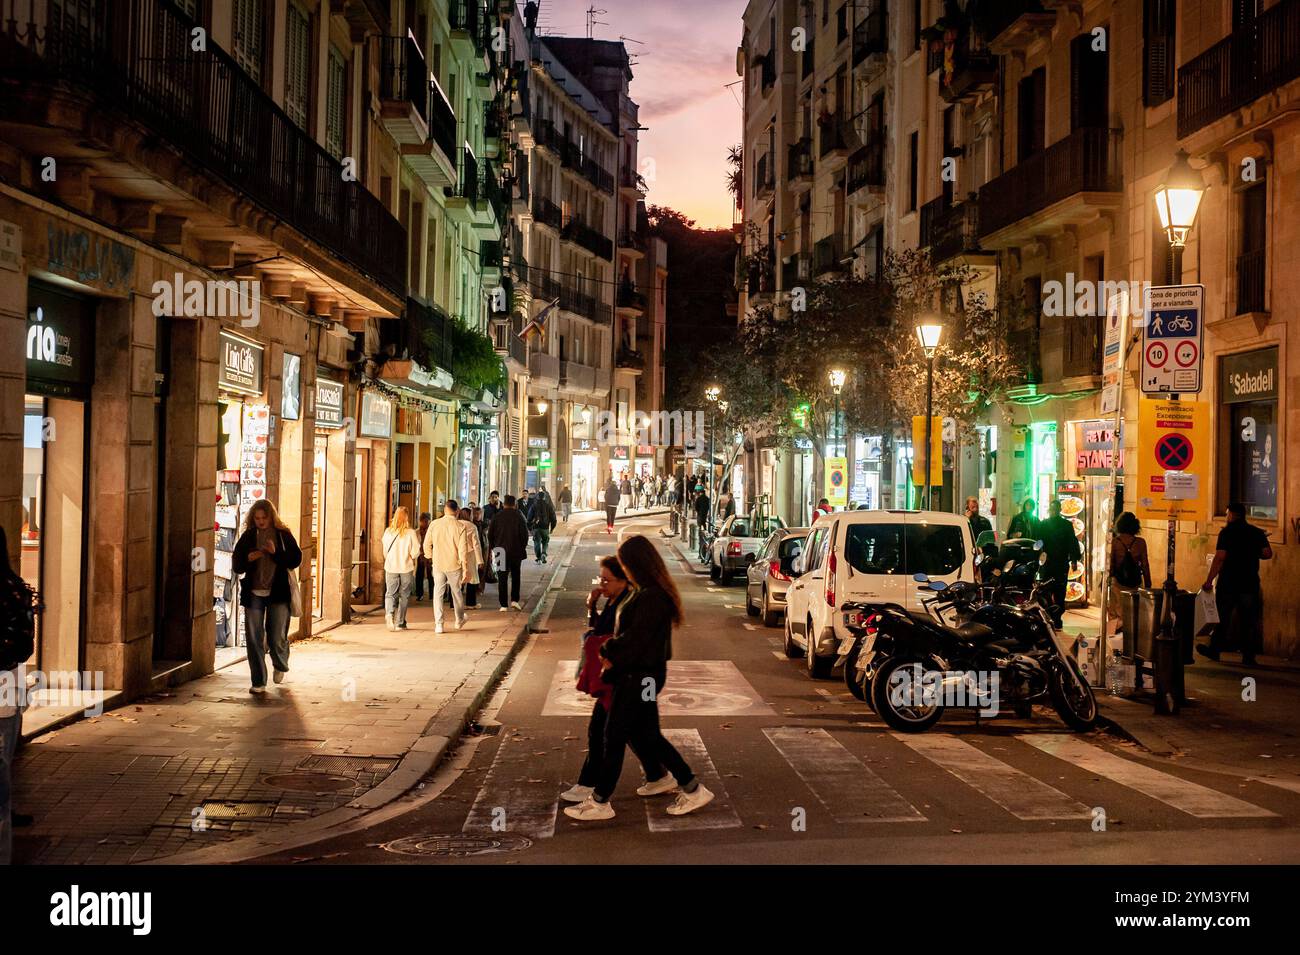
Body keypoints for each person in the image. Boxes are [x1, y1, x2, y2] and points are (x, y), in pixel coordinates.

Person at [564, 535, 714, 821]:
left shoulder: (651, 598)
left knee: (615, 735)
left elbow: (636, 639)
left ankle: (600, 801)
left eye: (625, 564)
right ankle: (689, 787)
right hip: (642, 676)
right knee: (644, 735)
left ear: (636, 565)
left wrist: (609, 648)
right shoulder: (652, 594)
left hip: (640, 677)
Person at [561, 556, 635, 804]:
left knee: (602, 732)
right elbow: (597, 629)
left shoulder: (626, 604)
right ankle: (660, 774)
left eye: (607, 579)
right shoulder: (613, 600)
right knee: (638, 734)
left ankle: (592, 788)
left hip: (617, 678)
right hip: (608, 677)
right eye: (600, 578)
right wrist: (592, 605)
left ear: (623, 580)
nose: (602, 583)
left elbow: (614, 637)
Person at [231, 499, 303, 692]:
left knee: (276, 635)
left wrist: (275, 553)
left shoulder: (282, 535)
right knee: (254, 637)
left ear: (271, 517)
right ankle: (258, 681)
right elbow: (237, 565)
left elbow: (296, 559)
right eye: (257, 518)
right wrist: (248, 558)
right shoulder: (248, 536)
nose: (261, 521)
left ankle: (280, 664)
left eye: (264, 517)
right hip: (253, 593)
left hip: (277, 592)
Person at [0, 525, 37, 866]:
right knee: (2, 762)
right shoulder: (14, 589)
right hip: (6, 688)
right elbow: (24, 644)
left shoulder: (11, 590)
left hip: (5, 689)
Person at [1199, 502, 1273, 665]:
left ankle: (1215, 650)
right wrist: (1253, 551)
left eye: (1227, 514)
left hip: (1229, 583)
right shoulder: (1256, 532)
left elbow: (1220, 557)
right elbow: (1267, 553)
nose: (1226, 517)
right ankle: (1248, 656)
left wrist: (1209, 580)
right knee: (1248, 620)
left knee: (1223, 618)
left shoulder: (1226, 533)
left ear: (1231, 514)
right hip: (1249, 582)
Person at [423, 500, 470, 634]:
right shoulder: (460, 527)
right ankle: (459, 619)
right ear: (457, 511)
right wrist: (465, 568)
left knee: (438, 593)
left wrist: (430, 556)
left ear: (444, 510)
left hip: (438, 564)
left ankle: (439, 624)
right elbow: (463, 550)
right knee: (456, 593)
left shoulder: (434, 524)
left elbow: (426, 544)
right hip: (454, 565)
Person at [1037, 500, 1082, 629]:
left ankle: (1054, 616)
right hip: (1054, 562)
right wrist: (1073, 559)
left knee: (1053, 590)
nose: (1053, 511)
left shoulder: (1048, 524)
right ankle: (1054, 616)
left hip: (1054, 562)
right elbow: (1072, 543)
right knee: (1056, 590)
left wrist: (1074, 560)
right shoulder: (1058, 524)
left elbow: (1071, 543)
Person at [382, 507, 422, 631]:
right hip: (406, 567)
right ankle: (400, 623)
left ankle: (389, 614)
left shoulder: (388, 532)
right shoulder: (410, 533)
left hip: (390, 566)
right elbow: (416, 552)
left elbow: (384, 552)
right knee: (404, 595)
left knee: (390, 593)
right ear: (406, 517)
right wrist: (410, 555)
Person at [488, 494, 530, 612]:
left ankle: (503, 605)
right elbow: (525, 535)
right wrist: (522, 547)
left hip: (500, 551)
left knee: (502, 577)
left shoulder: (497, 516)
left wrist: (493, 548)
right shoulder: (519, 516)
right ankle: (514, 601)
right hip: (516, 551)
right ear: (515, 504)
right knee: (516, 576)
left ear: (504, 504)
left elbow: (490, 535)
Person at [459, 507, 484, 609]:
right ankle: (470, 603)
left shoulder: (455, 524)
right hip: (470, 555)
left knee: (458, 579)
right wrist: (480, 560)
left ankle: (454, 604)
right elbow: (476, 545)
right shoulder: (472, 526)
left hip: (457, 555)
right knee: (471, 579)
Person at [529, 488, 557, 563]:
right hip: (545, 527)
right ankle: (543, 554)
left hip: (536, 527)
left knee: (537, 542)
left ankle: (538, 557)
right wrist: (552, 528)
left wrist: (530, 528)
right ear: (545, 497)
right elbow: (553, 518)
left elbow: (529, 517)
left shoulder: (534, 506)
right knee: (545, 541)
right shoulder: (549, 506)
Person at [413, 512, 433, 601]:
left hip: (430, 555)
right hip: (420, 556)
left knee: (431, 575)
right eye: (423, 521)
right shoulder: (416, 532)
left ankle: (432, 594)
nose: (424, 523)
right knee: (419, 574)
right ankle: (419, 593)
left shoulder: (432, 531)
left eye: (426, 521)